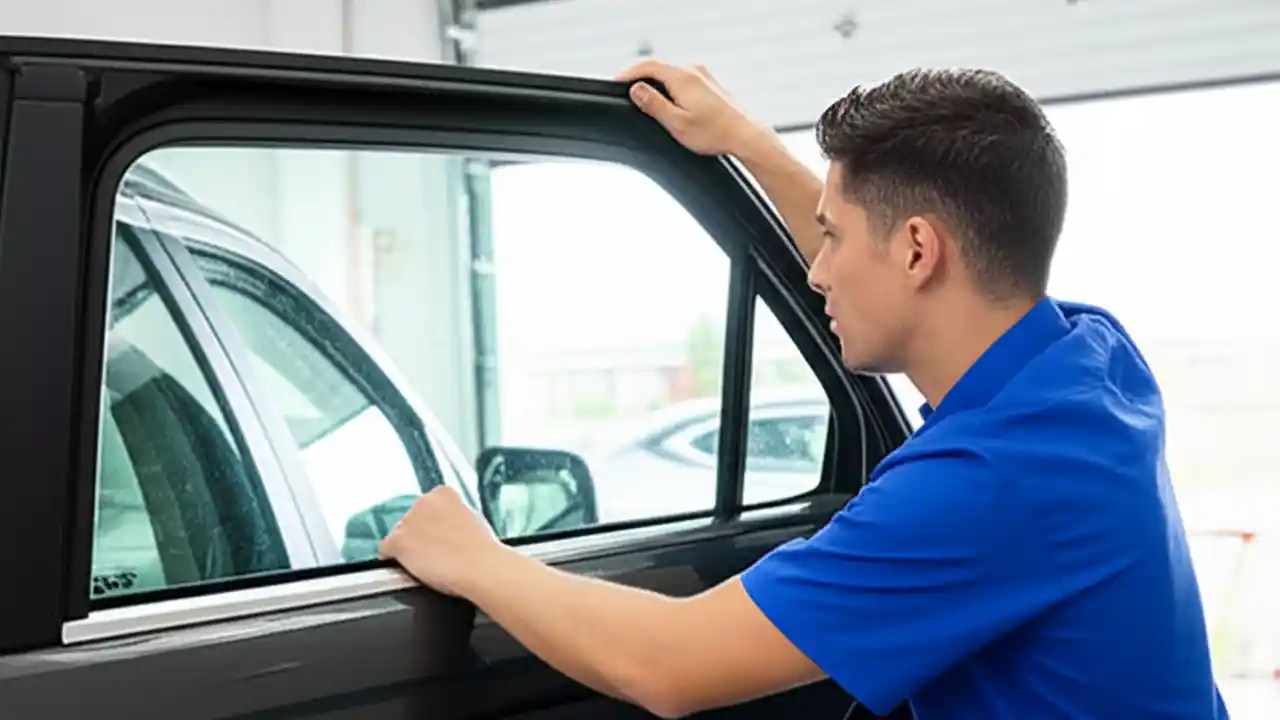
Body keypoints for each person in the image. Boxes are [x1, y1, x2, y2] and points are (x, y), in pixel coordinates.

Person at [379, 60, 1228, 719]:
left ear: (919, 252)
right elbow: (888, 248)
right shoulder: (1092, 361)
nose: (816, 272)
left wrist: (476, 560)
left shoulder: (988, 483)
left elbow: (668, 666)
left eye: (833, 237)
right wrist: (747, 143)